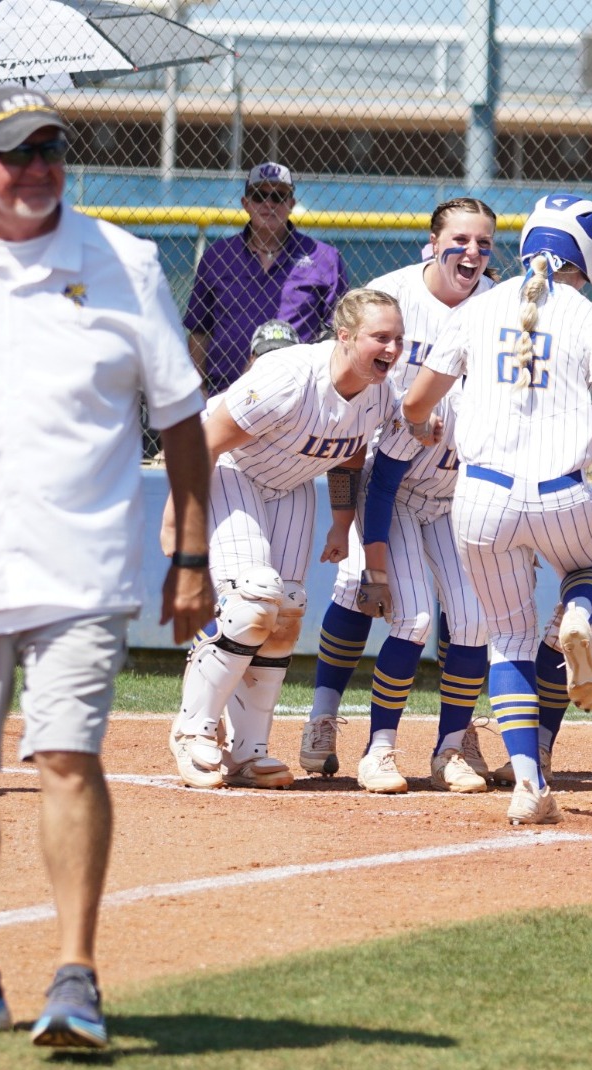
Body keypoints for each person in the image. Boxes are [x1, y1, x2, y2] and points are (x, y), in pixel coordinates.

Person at [0, 86, 210, 1049]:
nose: (37, 170)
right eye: (15, 154)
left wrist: (190, 550)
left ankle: (76, 977)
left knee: (66, 757)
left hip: (81, 559)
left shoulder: (123, 261)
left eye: (52, 150)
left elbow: (181, 418)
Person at [401, 194, 592, 826]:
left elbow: (416, 402)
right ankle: (580, 617)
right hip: (559, 491)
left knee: (506, 639)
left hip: (479, 498)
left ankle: (529, 784)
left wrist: (422, 425)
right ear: (587, 254)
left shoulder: (477, 310)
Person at [167, 288, 402, 791]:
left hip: (292, 485)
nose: (393, 349)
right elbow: (202, 440)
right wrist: (177, 523)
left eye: (398, 339)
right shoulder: (291, 377)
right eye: (381, 337)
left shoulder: (379, 391)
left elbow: (351, 454)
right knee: (252, 600)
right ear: (345, 336)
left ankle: (249, 751)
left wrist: (341, 523)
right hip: (232, 472)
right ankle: (194, 732)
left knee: (286, 612)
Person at [302, 198, 499, 794]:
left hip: (457, 490)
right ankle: (333, 724)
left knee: (472, 620)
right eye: (459, 240)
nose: (471, 253)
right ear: (431, 243)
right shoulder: (391, 301)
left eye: (484, 245)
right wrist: (354, 530)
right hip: (382, 470)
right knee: (371, 596)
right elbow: (352, 396)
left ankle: (453, 742)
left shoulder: (497, 310)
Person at [184, 162, 348, 394]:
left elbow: (338, 334)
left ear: (291, 204)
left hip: (297, 393)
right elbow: (200, 329)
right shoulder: (218, 257)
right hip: (225, 390)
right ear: (246, 204)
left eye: (279, 196)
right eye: (260, 195)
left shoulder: (325, 259)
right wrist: (198, 390)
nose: (269, 203)